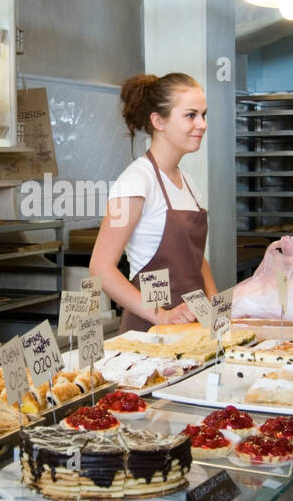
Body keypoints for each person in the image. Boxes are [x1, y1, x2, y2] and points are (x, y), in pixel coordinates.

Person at [90, 73, 217, 330]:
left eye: (204, 115)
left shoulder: (188, 183)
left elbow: (194, 258)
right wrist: (161, 315)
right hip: (151, 330)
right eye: (191, 115)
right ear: (158, 121)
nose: (202, 124)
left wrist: (215, 304)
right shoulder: (135, 181)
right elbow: (100, 268)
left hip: (193, 326)